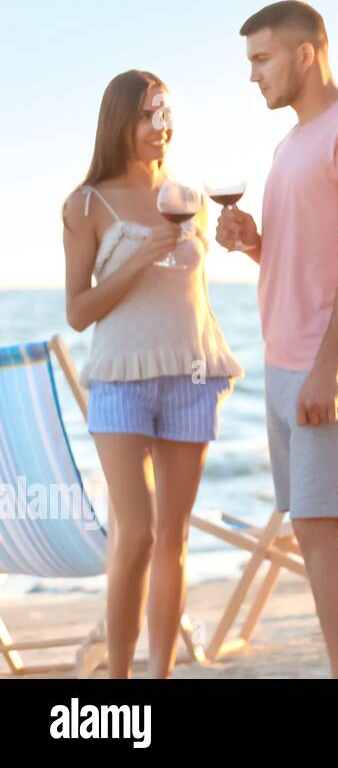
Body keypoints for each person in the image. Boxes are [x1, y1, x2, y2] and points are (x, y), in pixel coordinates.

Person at [215, 0, 338, 679]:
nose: (253, 75)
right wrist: (254, 245)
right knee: (328, 531)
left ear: (305, 53)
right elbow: (311, 256)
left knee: (324, 533)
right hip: (286, 359)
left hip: (337, 361)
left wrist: (330, 366)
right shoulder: (288, 145)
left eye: (261, 59)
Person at [62, 70, 243, 678]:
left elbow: (191, 294)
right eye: (146, 115)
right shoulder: (87, 203)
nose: (159, 126)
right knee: (134, 536)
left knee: (174, 538)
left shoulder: (186, 196)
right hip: (120, 381)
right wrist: (138, 257)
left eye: (164, 113)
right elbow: (79, 312)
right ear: (119, 122)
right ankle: (120, 685)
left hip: (192, 375)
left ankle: (159, 676)